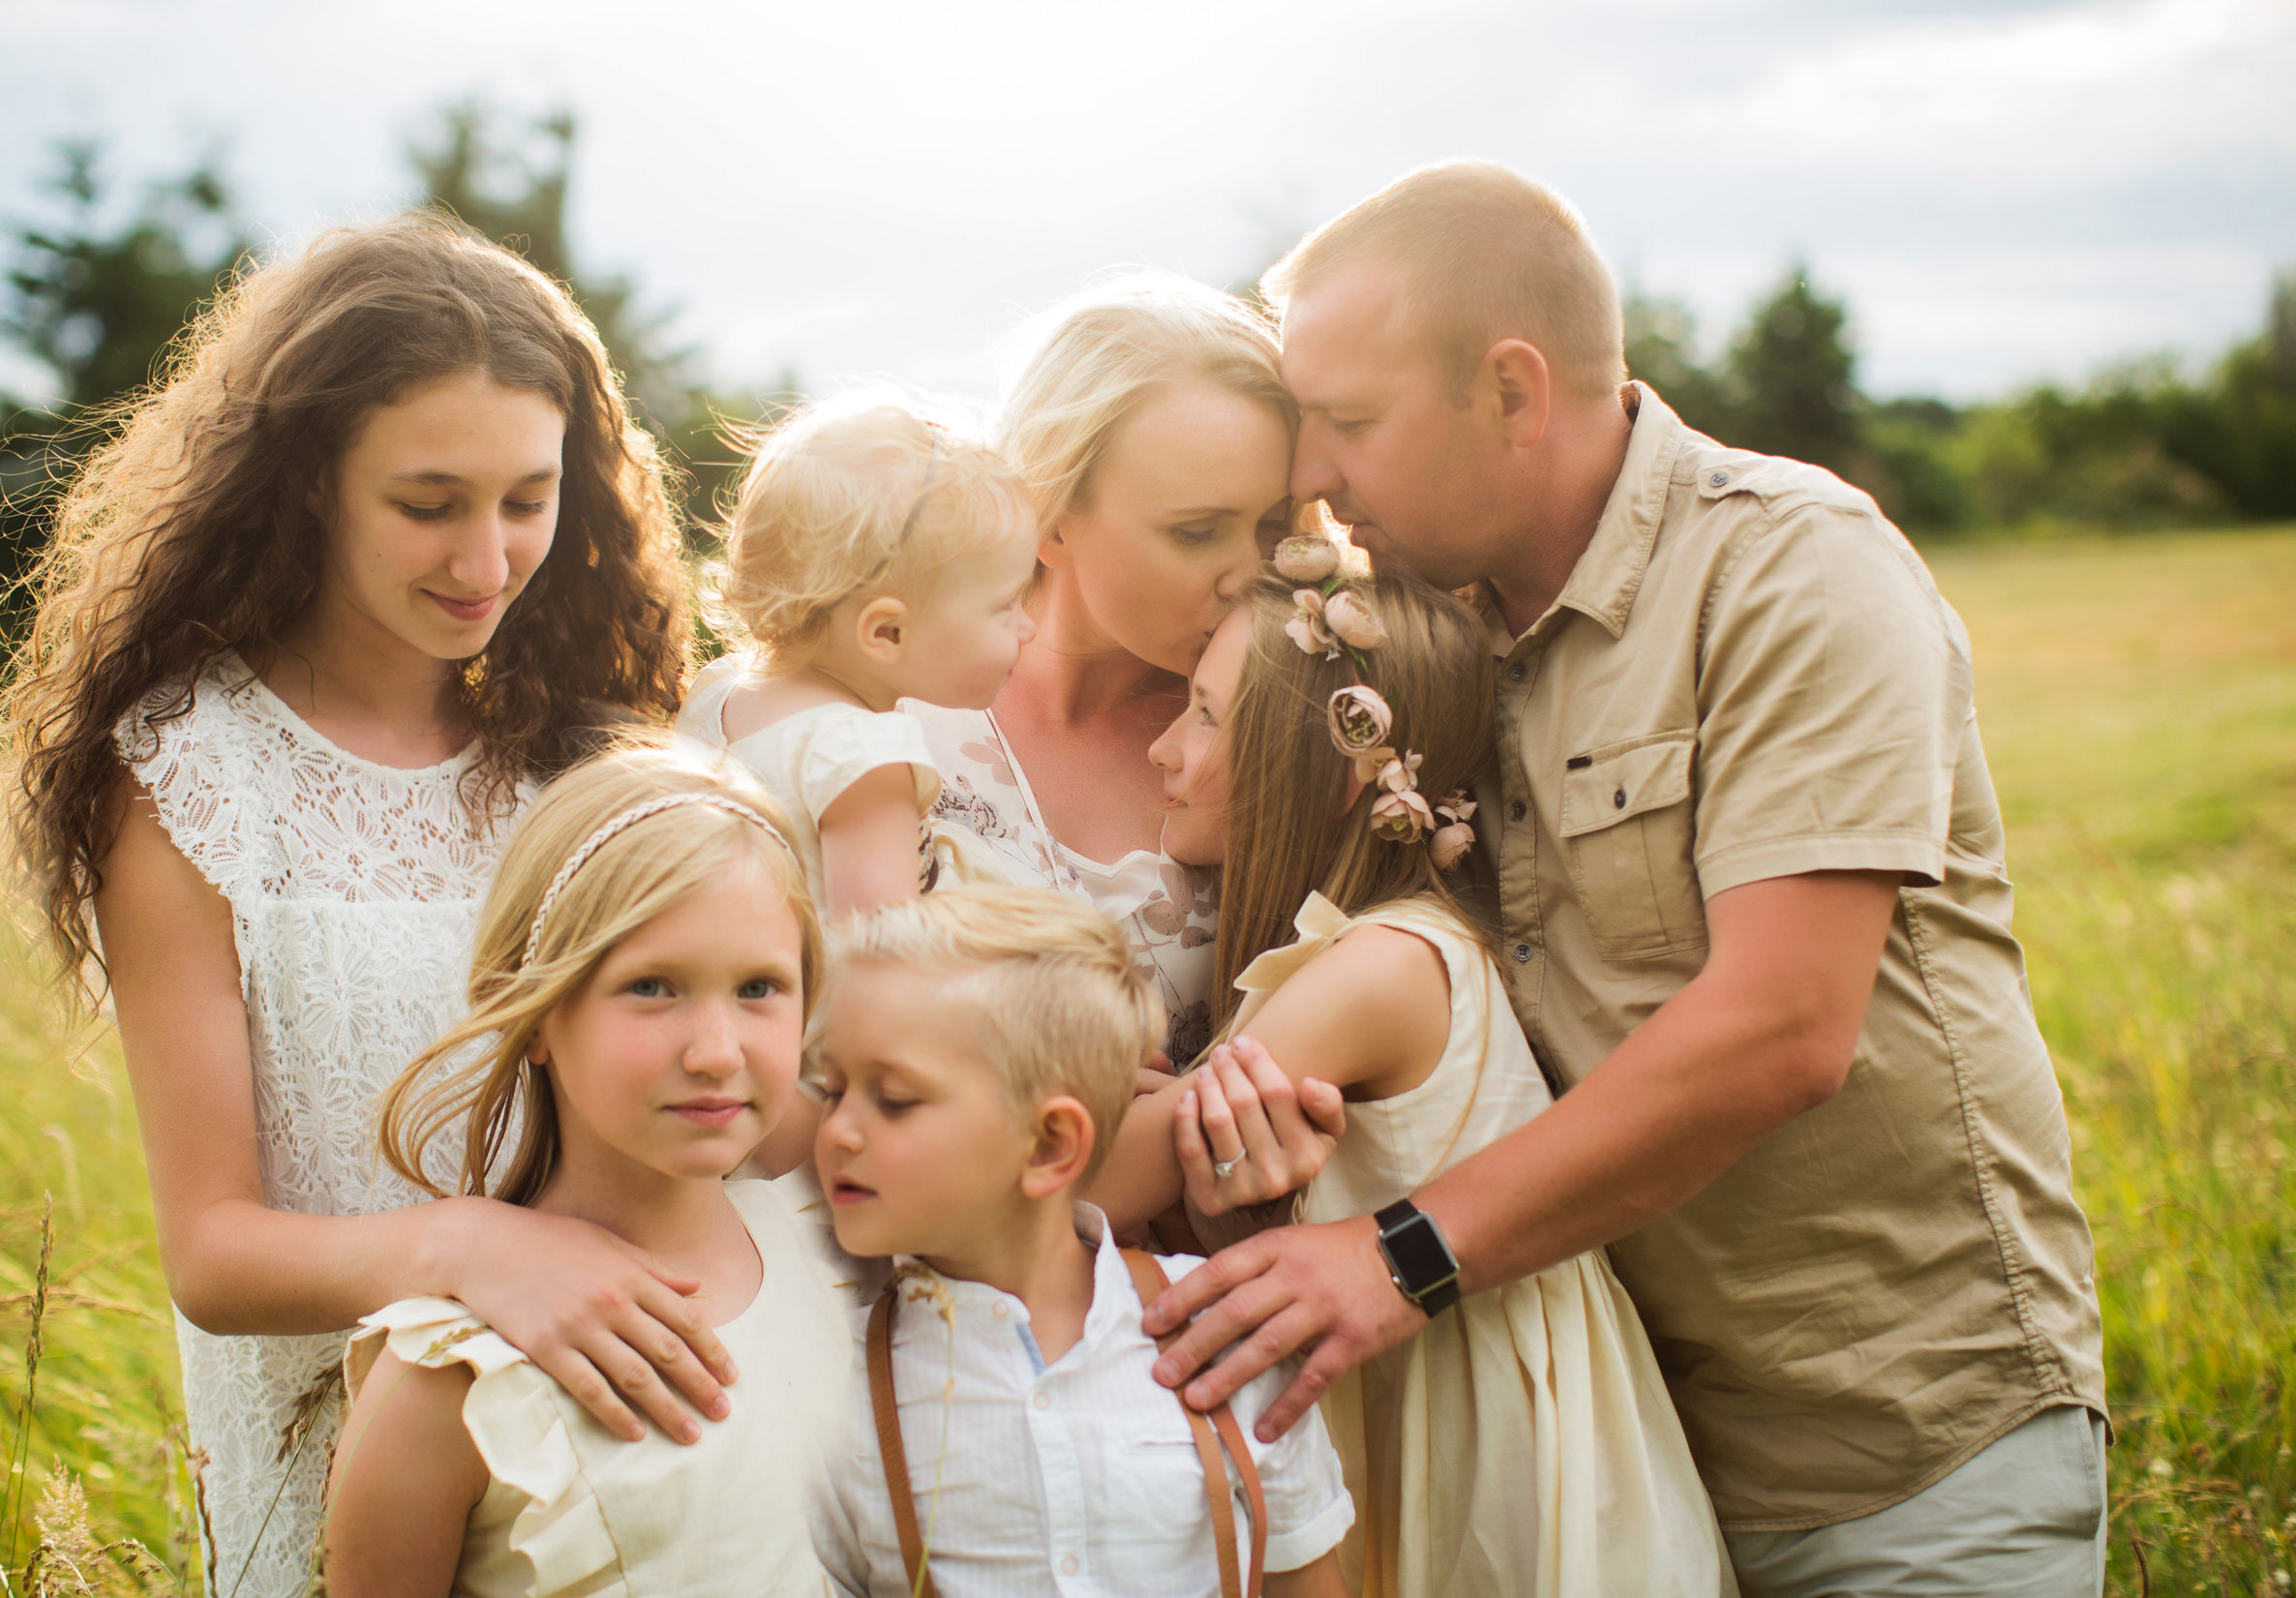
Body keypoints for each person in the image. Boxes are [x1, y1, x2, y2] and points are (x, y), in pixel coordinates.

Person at [1145, 161, 2108, 1597]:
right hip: (1616, 1447)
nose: (1313, 477)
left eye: (1348, 421)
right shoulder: (1415, 640)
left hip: (1899, 1444)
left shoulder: (1792, 569)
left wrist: (1394, 1255)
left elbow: (1783, 1027)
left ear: (1515, 391)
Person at [0, 214, 727, 1597]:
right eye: (428, 502)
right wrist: (481, 1248)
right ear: (309, 481)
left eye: (528, 496)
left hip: (604, 1426)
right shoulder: (194, 774)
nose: (489, 557)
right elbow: (215, 1251)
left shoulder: (578, 755)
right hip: (334, 1472)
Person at [1096, 554, 1732, 1596]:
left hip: (1478, 1430)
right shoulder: (1346, 951)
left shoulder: (1380, 969)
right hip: (1408, 1387)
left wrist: (1135, 1103)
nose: (1165, 749)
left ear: (1342, 765)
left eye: (1208, 718)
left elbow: (1100, 1178)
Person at [325, 747, 853, 1597]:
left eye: (760, 987)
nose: (717, 1051)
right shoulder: (447, 1384)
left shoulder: (841, 1257)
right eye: (652, 986)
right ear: (531, 1012)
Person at [809, 886, 1355, 1598]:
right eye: (829, 1090)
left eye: (895, 1099)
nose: (838, 1131)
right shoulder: (833, 1386)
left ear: (1049, 1146)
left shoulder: (1223, 1330)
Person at [912, 274, 1296, 1069]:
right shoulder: (879, 704)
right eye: (1198, 531)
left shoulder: (1285, 738)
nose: (1249, 572)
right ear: (1050, 521)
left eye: (1275, 524)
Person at [681, 392, 1038, 917]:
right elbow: (882, 954)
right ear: (887, 632)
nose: (1028, 627)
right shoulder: (863, 758)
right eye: (1005, 605)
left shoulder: (720, 690)